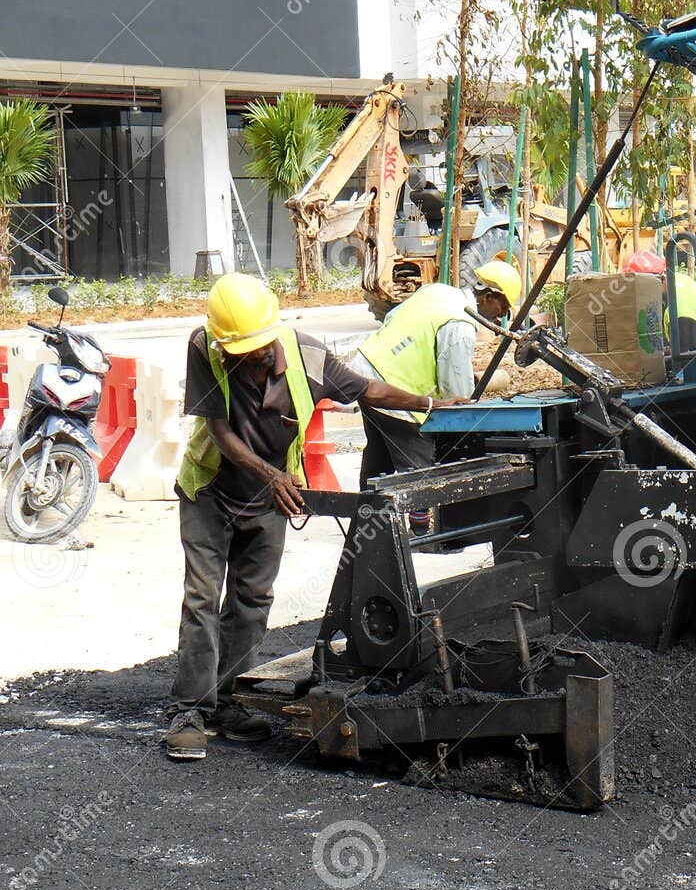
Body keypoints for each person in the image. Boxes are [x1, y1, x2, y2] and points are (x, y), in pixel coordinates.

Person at [167, 274, 453, 762]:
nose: (240, 357)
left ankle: (227, 702)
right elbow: (217, 428)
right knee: (201, 598)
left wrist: (430, 403)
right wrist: (267, 473)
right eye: (233, 349)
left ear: (268, 342)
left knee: (253, 600)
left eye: (249, 350)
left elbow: (367, 390)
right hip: (211, 490)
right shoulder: (206, 345)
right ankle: (190, 710)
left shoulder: (307, 356)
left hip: (271, 499)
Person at [347, 260, 522, 490]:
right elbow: (457, 393)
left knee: (380, 462)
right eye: (503, 308)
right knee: (421, 473)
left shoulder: (438, 291)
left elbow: (392, 319)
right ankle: (419, 525)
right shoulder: (461, 323)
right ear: (488, 296)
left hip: (366, 373)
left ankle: (366, 518)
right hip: (395, 390)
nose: (501, 318)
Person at [623, 249, 696, 353]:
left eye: (641, 288)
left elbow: (684, 353)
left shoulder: (680, 307)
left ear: (661, 279)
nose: (641, 294)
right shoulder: (679, 281)